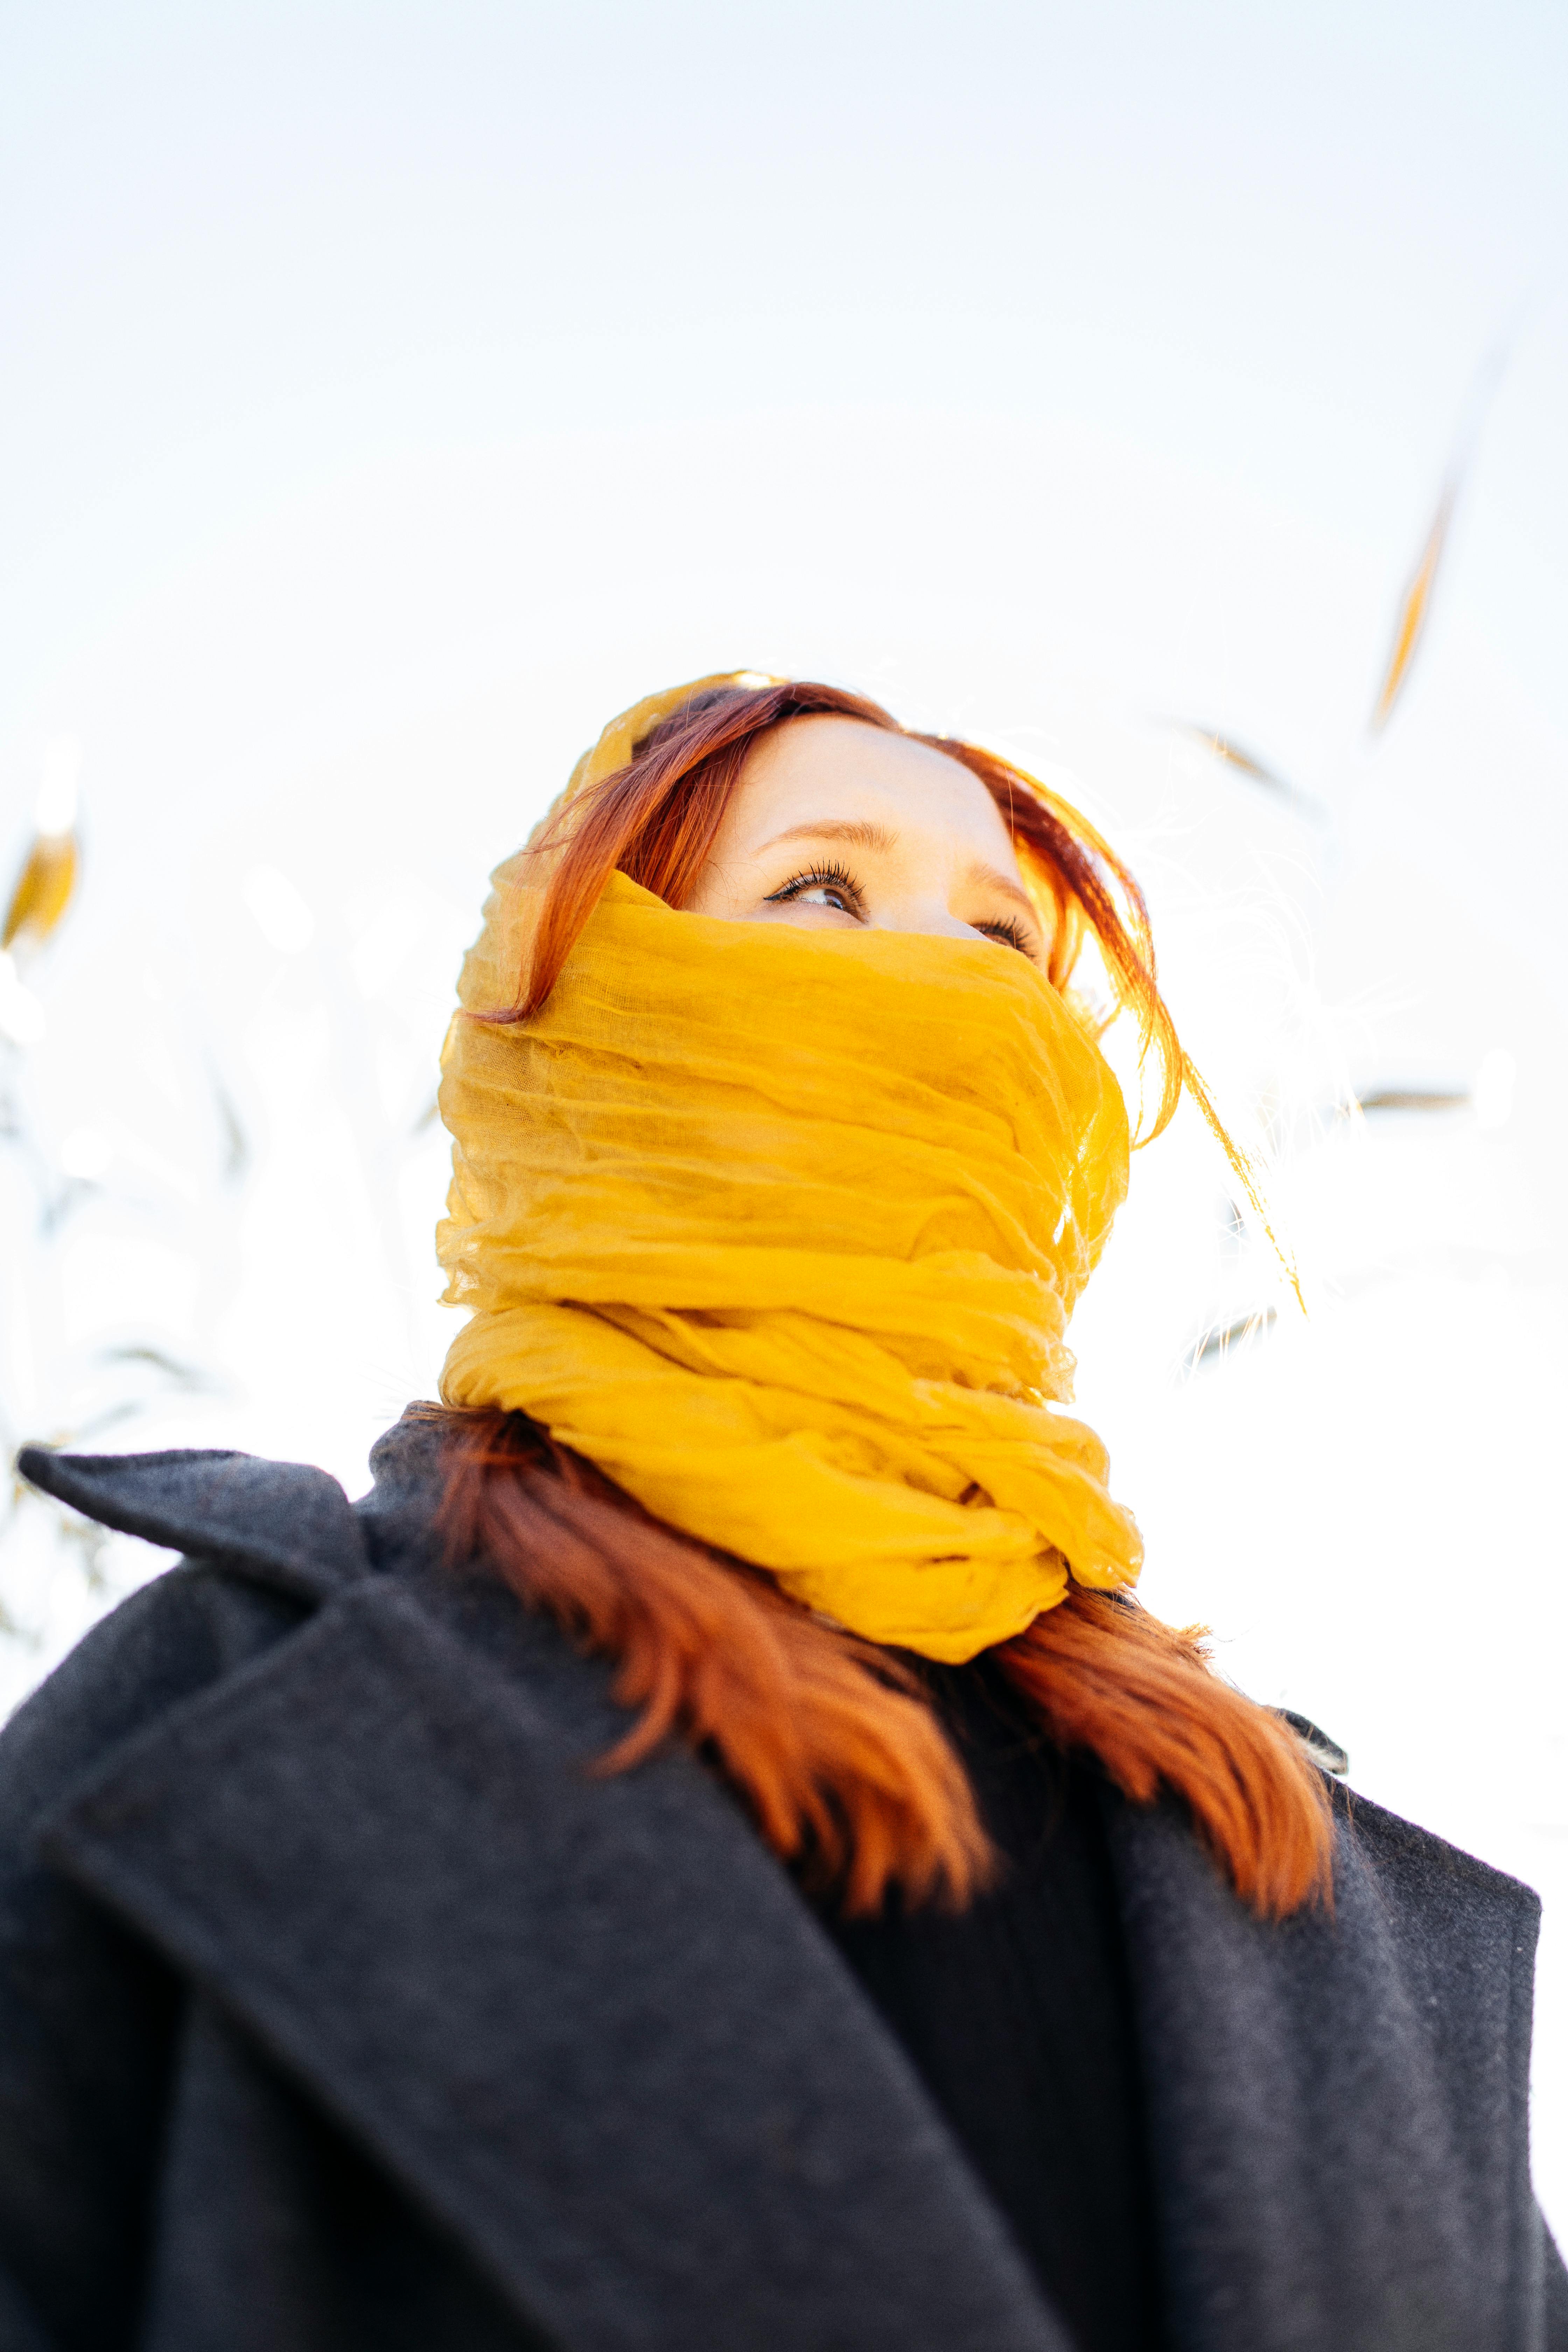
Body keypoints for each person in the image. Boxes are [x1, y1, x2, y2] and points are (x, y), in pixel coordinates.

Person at [1, 673, 1561, 2352]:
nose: (945, 987)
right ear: (590, 1015)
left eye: (1000, 944)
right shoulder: (236, 1708)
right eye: (823, 888)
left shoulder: (1265, 1839)